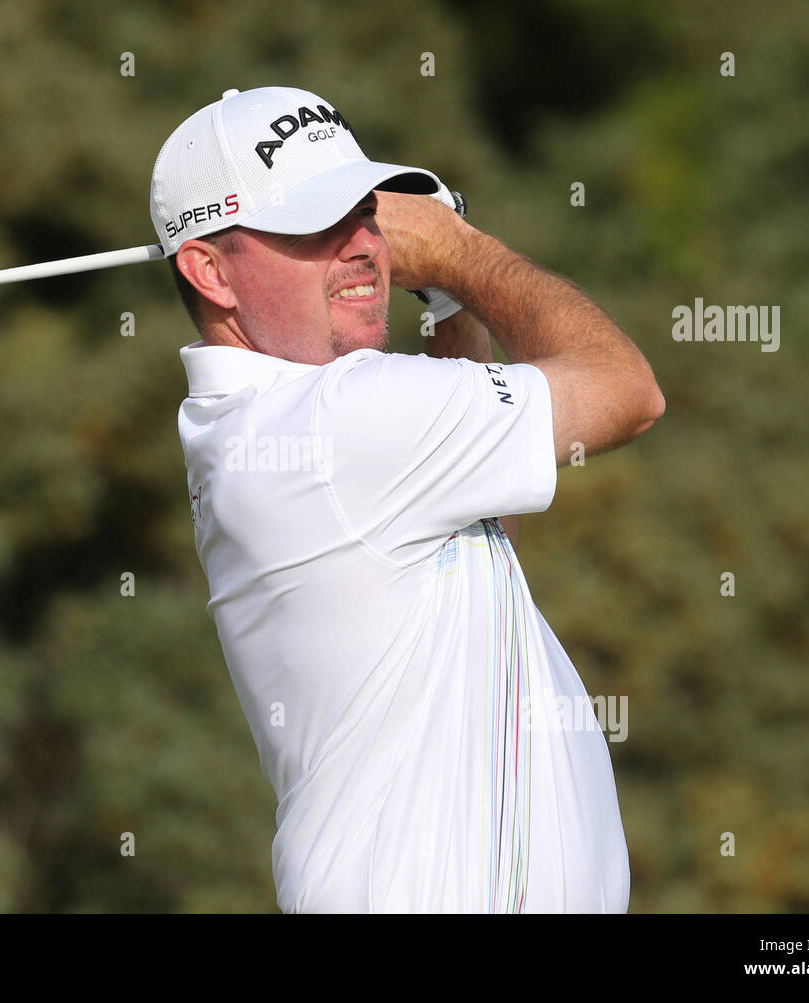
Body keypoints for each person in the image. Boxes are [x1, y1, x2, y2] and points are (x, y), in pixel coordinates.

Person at [151, 86, 665, 912]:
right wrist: (460, 250)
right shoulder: (332, 422)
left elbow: (478, 523)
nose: (364, 246)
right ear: (210, 270)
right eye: (312, 225)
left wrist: (448, 302)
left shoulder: (277, 426)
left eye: (365, 212)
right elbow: (628, 390)